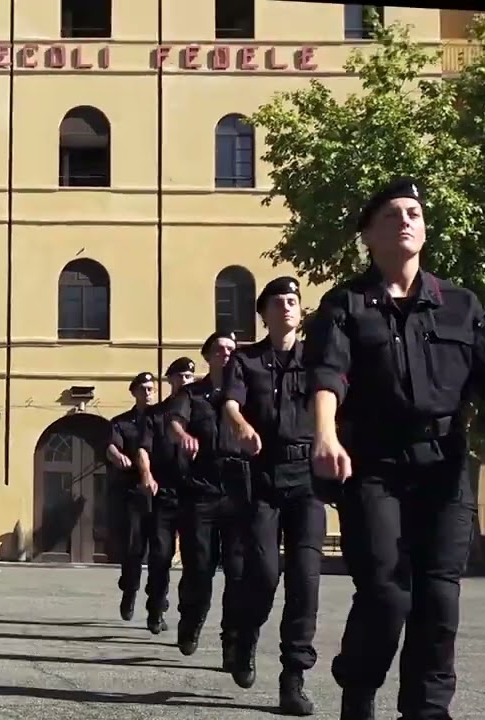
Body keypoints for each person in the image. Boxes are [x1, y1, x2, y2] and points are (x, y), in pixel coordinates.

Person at [307, 177, 485, 720]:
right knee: (387, 592)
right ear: (369, 236)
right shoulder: (345, 304)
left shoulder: (460, 304)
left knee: (438, 597)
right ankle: (359, 684)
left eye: (414, 213)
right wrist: (325, 433)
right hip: (374, 467)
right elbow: (328, 377)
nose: (406, 221)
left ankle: (427, 710)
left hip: (444, 467)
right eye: (392, 214)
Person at [222, 277, 324, 715]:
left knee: (305, 578)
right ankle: (245, 635)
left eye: (293, 300)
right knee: (264, 574)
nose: (287, 306)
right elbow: (230, 403)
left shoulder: (317, 360)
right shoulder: (246, 360)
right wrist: (241, 425)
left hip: (308, 480)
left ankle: (293, 678)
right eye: (278, 301)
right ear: (263, 313)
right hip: (263, 477)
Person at [166, 332, 248, 667]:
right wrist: (183, 435)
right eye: (219, 350)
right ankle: (192, 619)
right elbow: (174, 421)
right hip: (201, 490)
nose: (226, 355)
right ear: (208, 356)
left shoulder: (248, 391)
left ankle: (233, 642)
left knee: (239, 572)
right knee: (199, 567)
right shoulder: (192, 394)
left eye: (231, 350)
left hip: (239, 490)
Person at [136, 357, 194, 634]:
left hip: (195, 493)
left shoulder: (202, 411)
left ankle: (189, 612)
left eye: (188, 377)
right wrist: (147, 474)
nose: (184, 381)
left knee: (196, 558)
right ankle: (156, 605)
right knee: (161, 553)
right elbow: (143, 448)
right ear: (169, 380)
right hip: (165, 491)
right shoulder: (155, 415)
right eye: (179, 376)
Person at [105, 371, 157, 621]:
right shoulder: (122, 422)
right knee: (133, 547)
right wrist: (116, 455)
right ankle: (130, 589)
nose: (147, 393)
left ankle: (158, 600)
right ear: (134, 393)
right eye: (143, 389)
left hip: (161, 491)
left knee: (161, 548)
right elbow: (111, 446)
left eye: (151, 389)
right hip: (133, 491)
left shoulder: (164, 418)